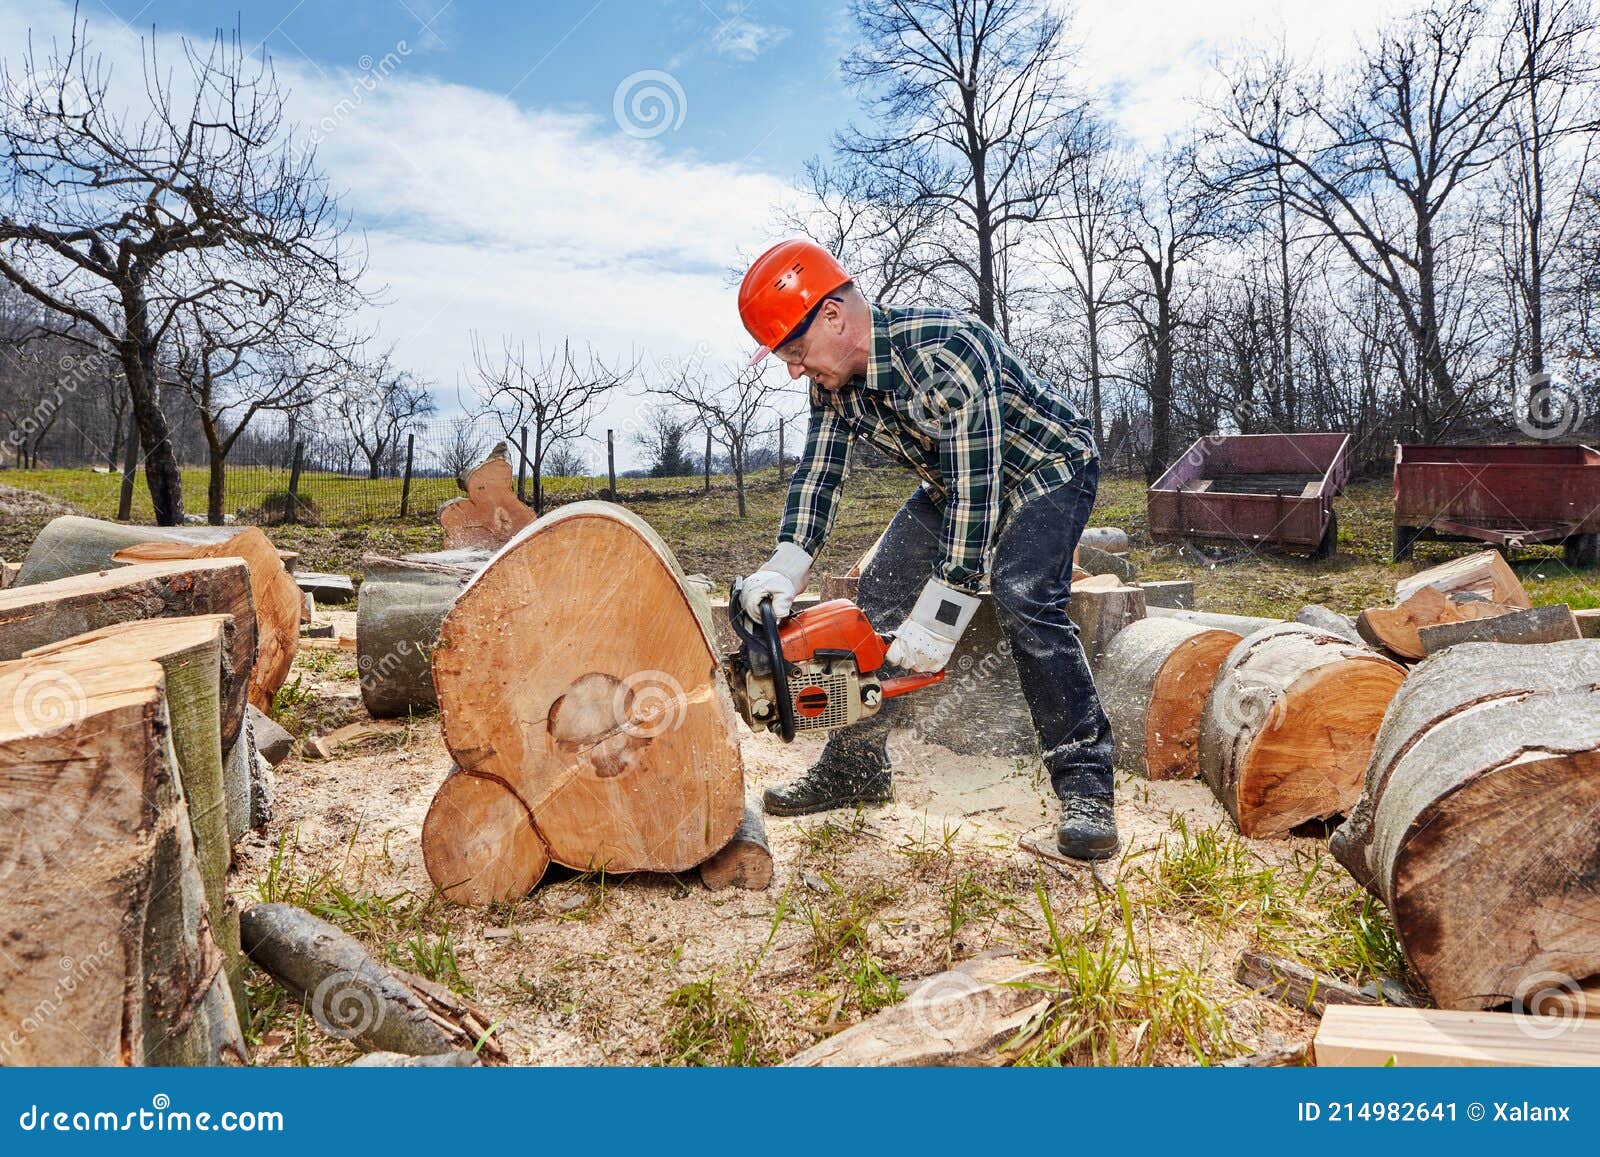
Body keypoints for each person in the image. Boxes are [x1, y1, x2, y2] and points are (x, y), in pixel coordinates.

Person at [736, 239, 1118, 861]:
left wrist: (943, 609)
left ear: (834, 316)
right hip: (954, 479)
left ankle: (1085, 783)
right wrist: (785, 564)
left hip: (1047, 468)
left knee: (1026, 598)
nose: (794, 370)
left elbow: (981, 491)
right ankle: (854, 771)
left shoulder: (945, 351)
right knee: (880, 595)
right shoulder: (834, 388)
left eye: (797, 352)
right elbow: (819, 477)